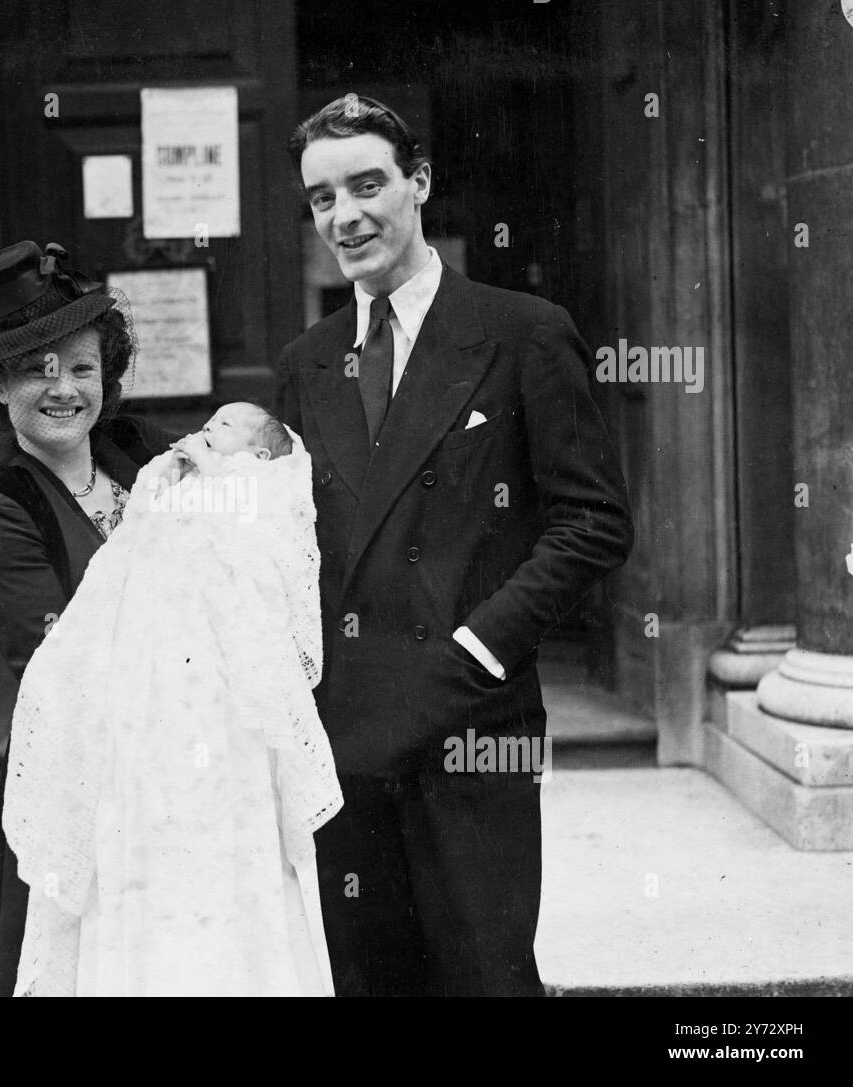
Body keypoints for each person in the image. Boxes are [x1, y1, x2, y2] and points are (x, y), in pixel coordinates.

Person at [274, 94, 634, 996]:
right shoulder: (306, 364)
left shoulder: (523, 332)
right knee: (368, 979)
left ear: (419, 182)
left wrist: (481, 644)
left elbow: (593, 521)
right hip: (346, 738)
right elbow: (288, 548)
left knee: (488, 976)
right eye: (323, 199)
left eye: (367, 185)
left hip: (476, 729)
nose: (346, 216)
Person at [3, 404, 342, 996]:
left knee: (229, 853)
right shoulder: (149, 469)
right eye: (209, 423)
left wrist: (212, 483)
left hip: (222, 705)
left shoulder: (247, 481)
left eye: (227, 427)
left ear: (259, 456)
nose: (208, 430)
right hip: (144, 707)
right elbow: (134, 546)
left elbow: (269, 553)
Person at [0, 239, 174, 997]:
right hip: (81, 793)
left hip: (177, 780)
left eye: (82, 368)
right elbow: (65, 672)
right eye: (37, 369)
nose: (64, 390)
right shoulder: (2, 513)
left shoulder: (141, 451)